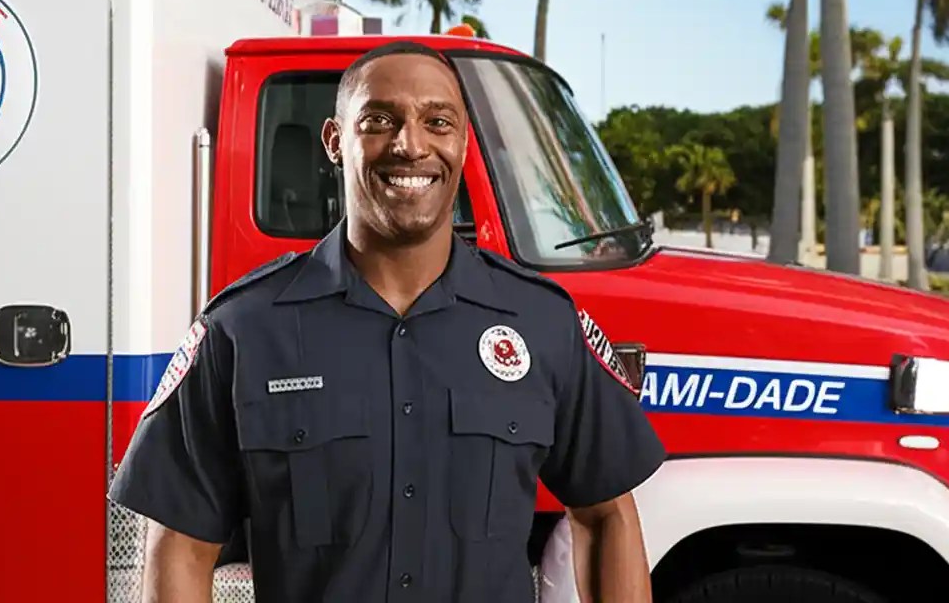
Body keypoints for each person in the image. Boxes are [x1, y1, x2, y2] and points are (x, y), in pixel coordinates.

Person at [108, 40, 667, 603]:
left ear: (463, 142)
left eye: (437, 121)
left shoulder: (543, 323)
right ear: (335, 141)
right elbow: (179, 544)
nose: (410, 144)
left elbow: (606, 517)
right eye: (379, 120)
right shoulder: (241, 330)